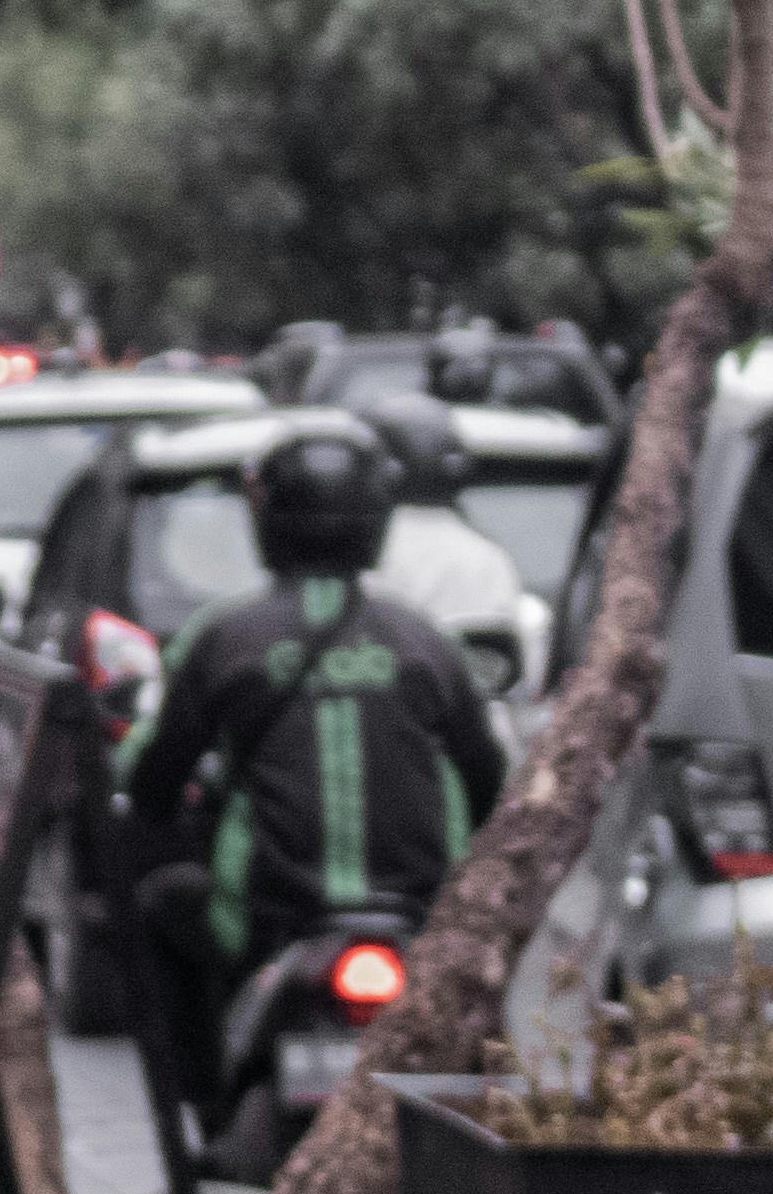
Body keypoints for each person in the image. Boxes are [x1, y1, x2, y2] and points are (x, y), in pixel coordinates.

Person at [123, 414, 506, 1100]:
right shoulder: (424, 640)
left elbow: (152, 776)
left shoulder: (224, 637)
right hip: (417, 915)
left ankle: (200, 1107)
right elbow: (487, 775)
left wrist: (151, 806)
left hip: (264, 920)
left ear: (265, 521)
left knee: (157, 905)